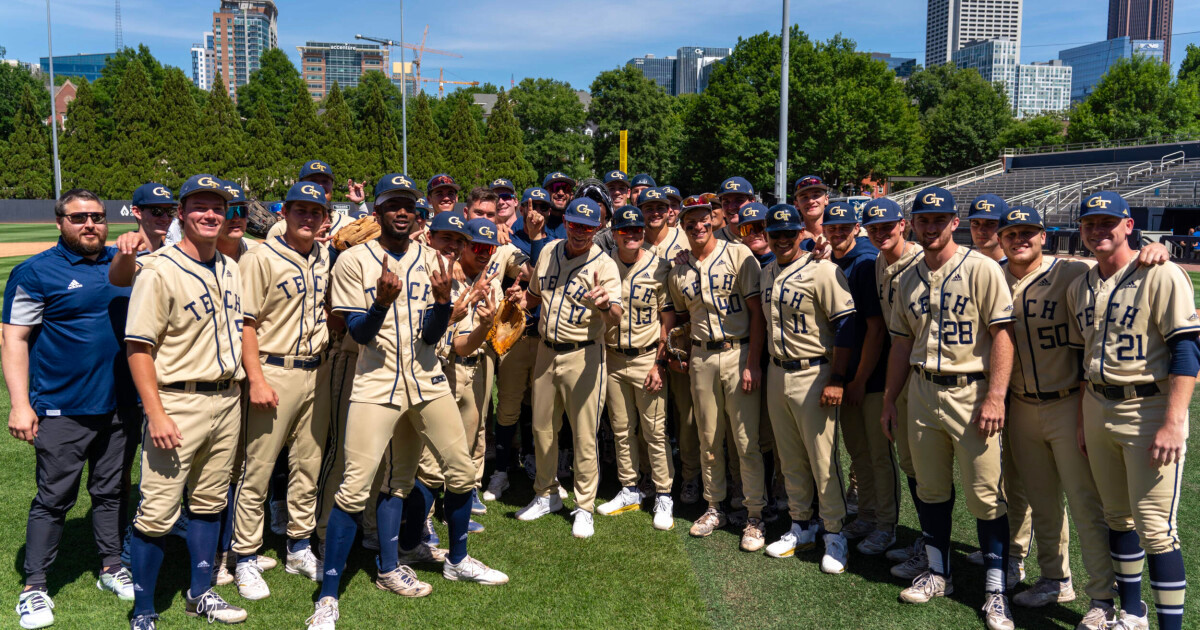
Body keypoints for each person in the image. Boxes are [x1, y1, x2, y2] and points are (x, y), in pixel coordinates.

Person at [310, 173, 508, 630]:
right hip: (375, 382)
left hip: (426, 379)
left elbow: (432, 335)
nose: (402, 211)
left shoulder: (433, 258)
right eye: (392, 204)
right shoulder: (354, 260)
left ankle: (455, 560)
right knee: (355, 488)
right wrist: (381, 303)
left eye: (408, 204)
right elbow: (358, 333)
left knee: (459, 472)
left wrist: (442, 306)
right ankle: (328, 596)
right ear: (378, 211)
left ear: (417, 213)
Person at [880, 186, 1016, 630]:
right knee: (931, 489)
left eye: (939, 220)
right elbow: (901, 344)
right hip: (922, 390)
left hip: (972, 392)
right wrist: (890, 399)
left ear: (955, 223)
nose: (931, 227)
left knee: (986, 496)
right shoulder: (907, 277)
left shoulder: (981, 268)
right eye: (923, 220)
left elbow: (1002, 335)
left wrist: (996, 396)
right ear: (913, 225)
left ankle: (996, 591)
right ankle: (939, 574)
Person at [4, 189, 140, 629]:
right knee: (54, 498)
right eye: (79, 217)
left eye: (97, 217)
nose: (90, 224)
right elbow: (14, 339)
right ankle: (35, 586)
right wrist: (20, 405)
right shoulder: (36, 271)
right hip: (62, 407)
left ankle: (111, 565)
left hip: (120, 405)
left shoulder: (123, 264)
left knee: (111, 490)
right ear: (60, 221)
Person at [1066, 191, 1197, 630]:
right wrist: (1083, 418)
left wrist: (1174, 422)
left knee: (1156, 529)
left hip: (1149, 407)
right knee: (1117, 518)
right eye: (1089, 223)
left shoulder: (1161, 273)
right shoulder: (1081, 284)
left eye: (1108, 222)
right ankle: (1133, 613)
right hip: (1096, 405)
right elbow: (1083, 357)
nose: (1097, 230)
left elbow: (1186, 351)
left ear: (1128, 225)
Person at [125, 174, 247, 628]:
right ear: (181, 213)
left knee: (210, 503)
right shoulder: (158, 269)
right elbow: (138, 347)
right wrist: (155, 413)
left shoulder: (231, 267)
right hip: (177, 402)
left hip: (227, 399)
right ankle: (143, 610)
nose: (210, 214)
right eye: (199, 206)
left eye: (218, 206)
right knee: (157, 513)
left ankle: (201, 593)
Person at [992, 205, 1118, 628]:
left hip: (1067, 402)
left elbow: (1117, 269)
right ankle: (1054, 578)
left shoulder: (1070, 272)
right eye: (1011, 233)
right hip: (1021, 405)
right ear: (1001, 239)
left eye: (1028, 232)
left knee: (1085, 504)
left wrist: (1152, 253)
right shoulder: (993, 275)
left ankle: (1103, 597)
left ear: (1043, 236)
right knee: (1042, 501)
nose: (1019, 239)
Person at [229, 182, 332, 601]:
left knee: (308, 464)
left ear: (325, 217)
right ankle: (245, 556)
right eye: (300, 210)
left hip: (317, 371)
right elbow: (246, 323)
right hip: (274, 369)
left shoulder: (324, 256)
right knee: (257, 468)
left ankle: (298, 546)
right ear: (284, 213)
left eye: (315, 211)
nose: (308, 217)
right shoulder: (260, 258)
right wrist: (255, 379)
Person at [511, 198, 624, 539]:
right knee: (542, 428)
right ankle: (546, 494)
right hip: (546, 351)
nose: (579, 232)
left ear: (597, 229)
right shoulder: (548, 251)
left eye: (588, 227)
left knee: (584, 434)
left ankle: (584, 506)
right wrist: (518, 300)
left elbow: (616, 316)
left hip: (583, 354)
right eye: (575, 224)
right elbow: (534, 296)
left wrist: (604, 305)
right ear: (567, 222)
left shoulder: (604, 264)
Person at [758, 203, 856, 574]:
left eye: (789, 232)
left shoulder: (823, 269)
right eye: (776, 233)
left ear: (802, 233)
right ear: (768, 236)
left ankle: (835, 532)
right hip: (777, 372)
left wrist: (837, 378)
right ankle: (801, 525)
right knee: (789, 457)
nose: (782, 239)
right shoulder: (767, 272)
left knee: (822, 458)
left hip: (814, 371)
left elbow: (846, 325)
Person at [667, 195, 767, 551]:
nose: (698, 225)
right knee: (708, 438)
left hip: (738, 351)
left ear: (714, 219)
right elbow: (681, 316)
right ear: (682, 226)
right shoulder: (678, 271)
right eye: (690, 221)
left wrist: (753, 362)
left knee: (745, 441)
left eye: (703, 218)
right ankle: (714, 507)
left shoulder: (739, 254)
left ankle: (754, 515)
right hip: (701, 356)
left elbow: (757, 315)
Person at [821, 201, 899, 557]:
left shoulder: (864, 263)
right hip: (846, 375)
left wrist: (859, 379)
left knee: (879, 454)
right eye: (831, 227)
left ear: (856, 228)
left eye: (844, 227)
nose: (837, 232)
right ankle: (867, 514)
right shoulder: (832, 261)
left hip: (871, 375)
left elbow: (875, 328)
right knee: (858, 451)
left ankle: (886, 524)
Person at [961, 194, 1030, 589]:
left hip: (1023, 387)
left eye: (990, 223)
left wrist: (1153, 251)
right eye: (977, 223)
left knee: (1019, 479)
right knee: (992, 477)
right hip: (983, 388)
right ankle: (998, 548)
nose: (982, 229)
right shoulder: (967, 265)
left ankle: (1016, 556)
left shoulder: (1016, 265)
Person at [596, 205, 676, 530]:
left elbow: (668, 320)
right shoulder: (603, 264)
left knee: (654, 431)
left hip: (646, 357)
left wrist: (660, 362)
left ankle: (664, 494)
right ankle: (629, 488)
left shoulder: (660, 266)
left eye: (636, 230)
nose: (631, 234)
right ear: (614, 234)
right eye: (624, 230)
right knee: (621, 428)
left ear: (643, 232)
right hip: (613, 357)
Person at [860, 198, 927, 570]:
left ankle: (939, 547)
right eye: (873, 227)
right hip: (900, 371)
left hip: (927, 373)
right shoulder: (878, 262)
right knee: (911, 463)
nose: (880, 232)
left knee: (930, 467)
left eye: (887, 225)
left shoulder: (921, 260)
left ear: (903, 224)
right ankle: (927, 539)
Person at [488, 188, 560, 499]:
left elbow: (540, 275)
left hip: (543, 337)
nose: (536, 212)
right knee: (508, 407)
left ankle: (533, 461)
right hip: (514, 336)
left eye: (543, 206)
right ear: (522, 208)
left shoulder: (553, 239)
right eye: (532, 205)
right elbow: (529, 273)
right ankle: (501, 470)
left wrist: (537, 236)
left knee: (541, 407)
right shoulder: (508, 238)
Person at [265, 161, 359, 243]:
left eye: (325, 181)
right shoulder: (281, 229)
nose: (320, 186)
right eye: (313, 181)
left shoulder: (349, 224)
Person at [108, 183, 178, 286]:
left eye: (170, 211)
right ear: (137, 212)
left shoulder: (172, 254)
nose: (165, 218)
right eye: (157, 211)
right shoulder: (116, 254)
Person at [714, 177, 754, 242]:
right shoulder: (713, 240)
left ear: (752, 202)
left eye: (739, 200)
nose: (731, 207)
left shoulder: (766, 236)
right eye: (726, 202)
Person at [793, 175, 831, 243]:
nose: (811, 201)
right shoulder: (792, 236)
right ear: (796, 204)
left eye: (816, 195)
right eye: (804, 197)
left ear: (826, 199)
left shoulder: (838, 233)